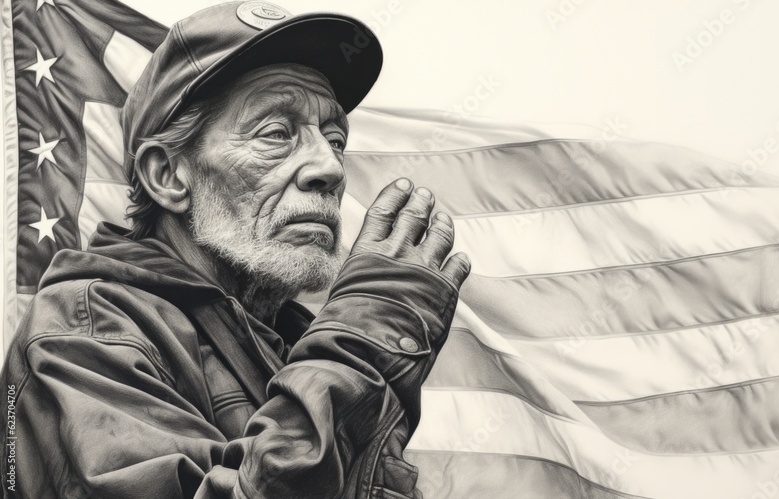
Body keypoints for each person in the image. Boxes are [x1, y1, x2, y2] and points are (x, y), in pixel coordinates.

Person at [0, 2, 470, 497]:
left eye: (335, 140)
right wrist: (364, 345)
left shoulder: (299, 342)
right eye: (276, 134)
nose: (330, 168)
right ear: (168, 176)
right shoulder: (86, 329)